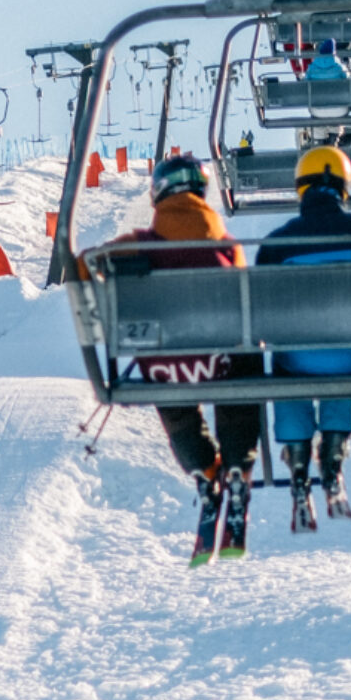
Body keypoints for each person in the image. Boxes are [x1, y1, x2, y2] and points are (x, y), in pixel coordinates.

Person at [113, 153, 257, 566]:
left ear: (158, 194)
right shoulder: (226, 247)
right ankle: (236, 464)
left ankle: (202, 467)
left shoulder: (138, 245)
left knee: (167, 382)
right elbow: (243, 306)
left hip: (167, 367)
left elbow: (89, 268)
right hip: (218, 362)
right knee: (243, 362)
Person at [256, 145, 351, 529]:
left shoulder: (276, 244)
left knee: (288, 360)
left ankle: (299, 465)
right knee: (344, 348)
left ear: (301, 188)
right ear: (345, 188)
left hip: (298, 360)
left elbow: (261, 318)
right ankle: (332, 456)